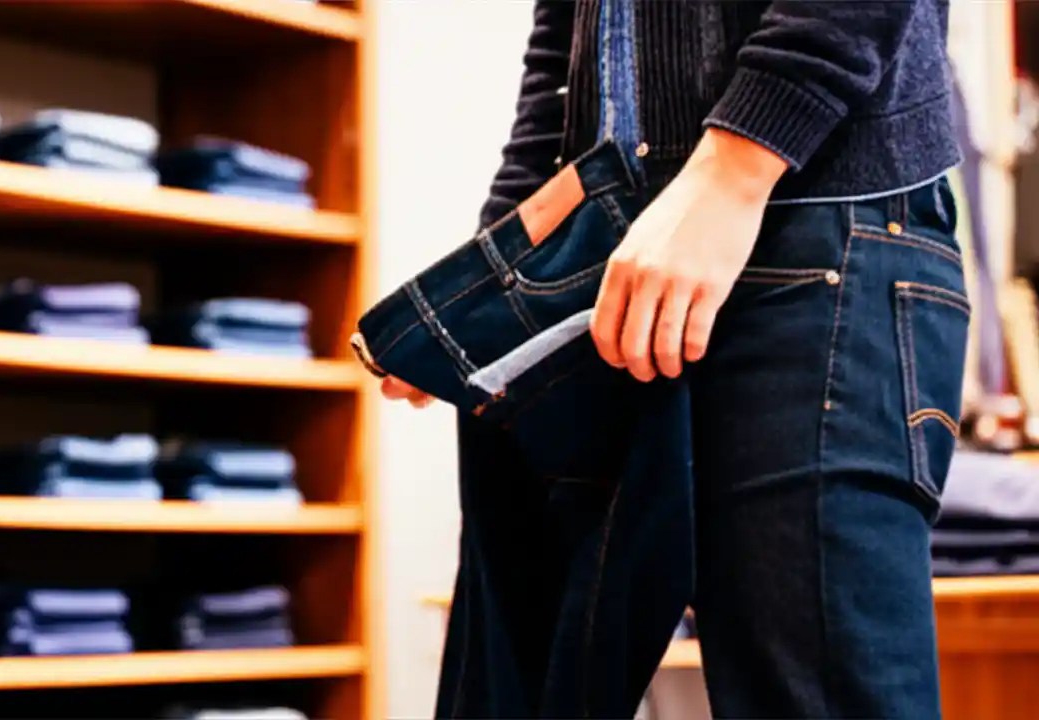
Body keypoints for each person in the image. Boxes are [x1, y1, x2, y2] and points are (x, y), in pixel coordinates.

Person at [381, 1, 967, 718]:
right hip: (623, 259)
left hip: (815, 220)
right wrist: (493, 282)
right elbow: (563, 61)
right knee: (517, 694)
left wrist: (735, 167)